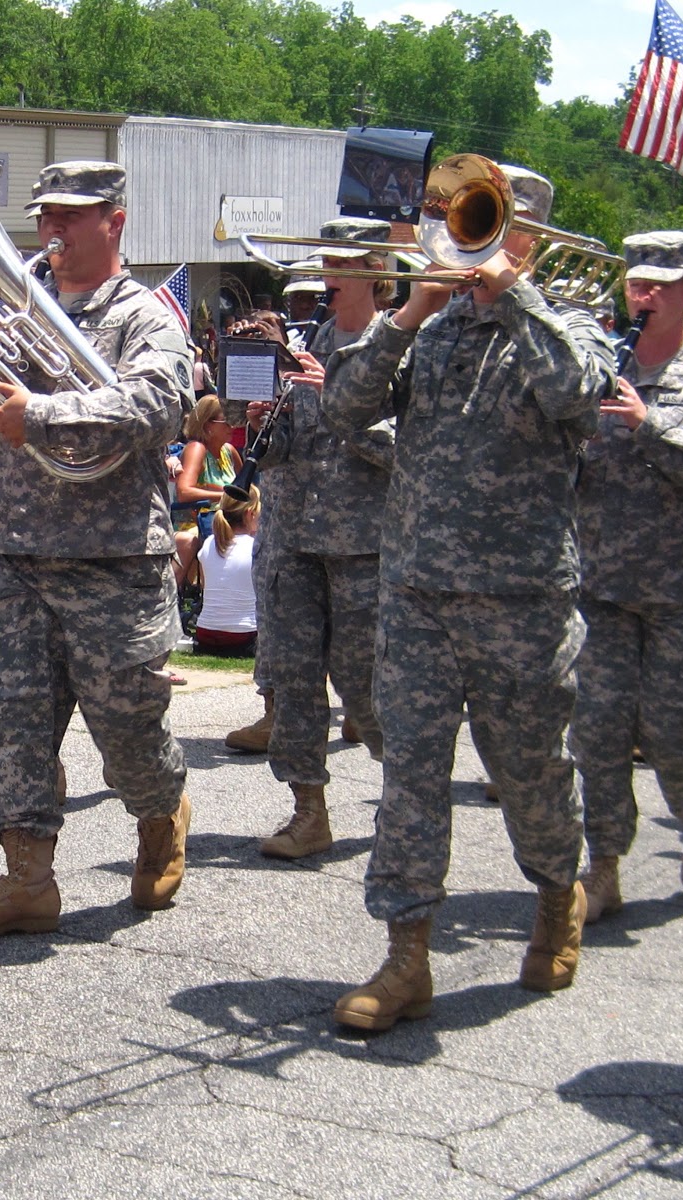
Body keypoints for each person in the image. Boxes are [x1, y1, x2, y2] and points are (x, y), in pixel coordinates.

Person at [321, 165, 615, 1031]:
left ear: (526, 235)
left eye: (486, 221)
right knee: (411, 774)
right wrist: (405, 315)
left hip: (520, 600)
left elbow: (581, 401)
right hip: (416, 591)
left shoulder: (572, 325)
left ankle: (558, 889)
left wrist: (516, 301)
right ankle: (406, 955)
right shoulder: (434, 326)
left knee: (528, 772)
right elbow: (343, 408)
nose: (468, 234)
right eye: (456, 219)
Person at [0, 160, 192, 937]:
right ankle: (27, 878)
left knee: (130, 728)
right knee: (15, 724)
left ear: (114, 220)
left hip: (113, 560)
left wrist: (39, 413)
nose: (52, 230)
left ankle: (161, 811)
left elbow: (161, 404)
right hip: (18, 551)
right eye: (46, 214)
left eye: (72, 216)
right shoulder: (18, 304)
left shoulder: (145, 314)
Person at [570, 232, 683, 922]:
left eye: (660, 286)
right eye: (636, 284)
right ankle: (605, 866)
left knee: (672, 730)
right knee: (599, 730)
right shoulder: (598, 369)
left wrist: (652, 428)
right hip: (604, 586)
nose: (644, 296)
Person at [247, 217, 395, 860]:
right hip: (294, 540)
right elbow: (288, 448)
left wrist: (337, 398)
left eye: (340, 265)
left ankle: (407, 797)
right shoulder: (312, 341)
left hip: (366, 546)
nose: (328, 278)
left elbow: (410, 451)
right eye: (326, 264)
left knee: (370, 689)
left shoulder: (403, 345)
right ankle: (309, 810)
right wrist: (261, 427)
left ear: (373, 274)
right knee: (296, 678)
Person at [170, 391, 241, 588]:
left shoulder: (230, 451)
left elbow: (247, 489)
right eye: (226, 421)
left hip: (228, 520)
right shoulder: (196, 449)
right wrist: (225, 496)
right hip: (197, 521)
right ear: (208, 425)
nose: (232, 426)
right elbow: (184, 492)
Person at [192, 486, 258, 655]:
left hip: (205, 634)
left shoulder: (209, 544)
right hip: (244, 637)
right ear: (250, 514)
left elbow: (205, 587)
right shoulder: (256, 547)